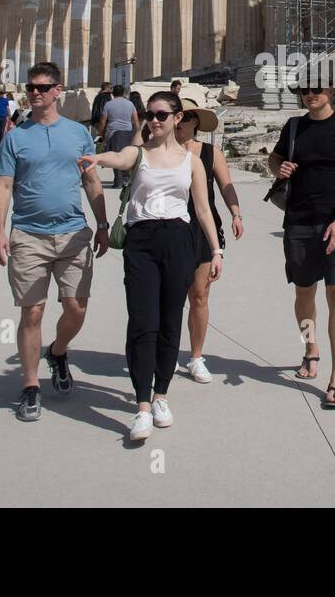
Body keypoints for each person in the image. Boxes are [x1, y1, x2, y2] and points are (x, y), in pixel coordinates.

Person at [78, 91, 221, 441]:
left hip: (179, 240)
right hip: (141, 242)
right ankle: (142, 405)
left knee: (171, 320)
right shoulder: (138, 153)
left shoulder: (191, 161)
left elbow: (202, 209)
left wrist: (216, 251)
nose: (154, 120)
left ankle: (161, 395)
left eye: (161, 115)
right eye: (149, 115)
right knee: (143, 321)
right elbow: (120, 157)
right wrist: (99, 158)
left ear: (177, 118)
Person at [0, 62, 109, 423]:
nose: (35, 93)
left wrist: (102, 223)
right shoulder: (15, 137)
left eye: (43, 87)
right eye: (31, 88)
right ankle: (30, 386)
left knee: (77, 307)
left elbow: (91, 182)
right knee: (33, 311)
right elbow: (4, 186)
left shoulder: (77, 134)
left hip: (73, 232)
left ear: (58, 90)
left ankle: (57, 352)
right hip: (28, 234)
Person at [268, 71, 335, 410]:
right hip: (298, 222)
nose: (310, 94)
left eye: (317, 89)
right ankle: (311, 348)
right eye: (305, 90)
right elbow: (274, 159)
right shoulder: (294, 126)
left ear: (332, 90)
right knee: (304, 295)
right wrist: (277, 168)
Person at [173, 98, 243, 383]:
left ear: (196, 123)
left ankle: (196, 357)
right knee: (170, 299)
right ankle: (164, 355)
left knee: (199, 295)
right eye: (178, 115)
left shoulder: (210, 152)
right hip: (168, 228)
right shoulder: (159, 151)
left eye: (188, 116)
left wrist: (236, 214)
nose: (182, 121)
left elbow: (226, 186)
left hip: (202, 228)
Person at [97, 85, 140, 187]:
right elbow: (136, 120)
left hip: (114, 134)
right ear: (123, 93)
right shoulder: (130, 104)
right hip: (128, 133)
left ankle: (118, 181)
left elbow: (103, 121)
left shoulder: (108, 105)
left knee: (115, 157)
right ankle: (126, 180)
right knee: (127, 156)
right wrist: (138, 133)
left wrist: (100, 133)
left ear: (113, 93)